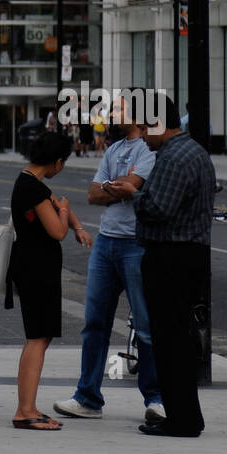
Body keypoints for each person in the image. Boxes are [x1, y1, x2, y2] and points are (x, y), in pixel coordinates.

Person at [53, 92, 164, 423]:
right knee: (94, 324)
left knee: (145, 326)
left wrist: (116, 189)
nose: (112, 112)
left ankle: (156, 398)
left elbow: (132, 184)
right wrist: (118, 191)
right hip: (106, 242)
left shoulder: (150, 149)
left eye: (120, 108)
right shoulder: (114, 149)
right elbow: (93, 193)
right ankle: (87, 397)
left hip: (136, 243)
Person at [113, 94, 216, 437]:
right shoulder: (194, 152)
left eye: (145, 127)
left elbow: (160, 209)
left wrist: (132, 192)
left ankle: (181, 419)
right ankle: (186, 415)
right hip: (188, 253)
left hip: (171, 255)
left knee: (169, 340)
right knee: (178, 338)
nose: (142, 135)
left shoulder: (173, 158)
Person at [7, 131, 91, 430]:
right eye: (63, 162)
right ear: (56, 162)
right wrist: (66, 212)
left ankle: (28, 407)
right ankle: (25, 410)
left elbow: (57, 208)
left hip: (32, 267)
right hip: (36, 269)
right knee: (37, 339)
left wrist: (77, 224)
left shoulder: (30, 181)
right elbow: (57, 229)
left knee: (38, 337)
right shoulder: (36, 190)